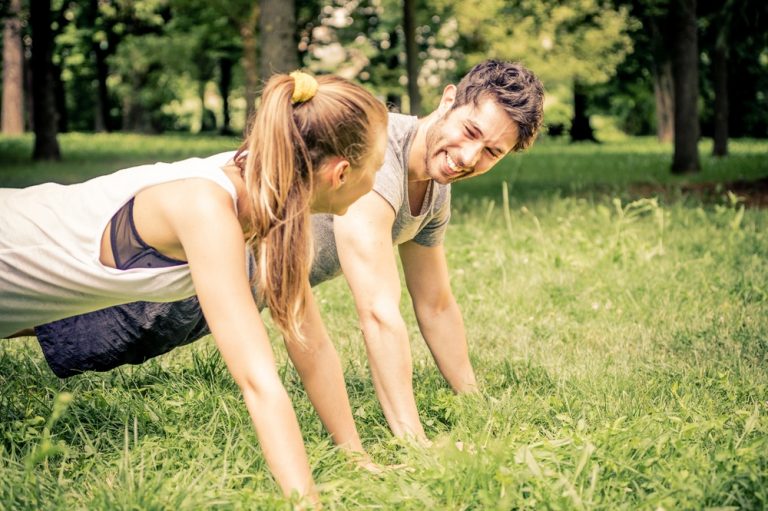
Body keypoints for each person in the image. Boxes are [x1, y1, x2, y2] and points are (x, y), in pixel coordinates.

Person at [18, 59, 544, 443]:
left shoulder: (433, 189)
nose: (469, 156)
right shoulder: (375, 153)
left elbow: (435, 303)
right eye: (471, 131)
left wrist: (470, 401)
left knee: (39, 306)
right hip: (186, 276)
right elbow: (378, 312)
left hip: (233, 292)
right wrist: (412, 440)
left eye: (492, 151)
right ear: (448, 99)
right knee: (44, 301)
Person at [0, 71, 389, 504]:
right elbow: (257, 378)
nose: (376, 180)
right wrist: (307, 501)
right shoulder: (207, 209)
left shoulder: (268, 189)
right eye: (376, 167)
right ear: (340, 173)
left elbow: (309, 343)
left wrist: (355, 455)